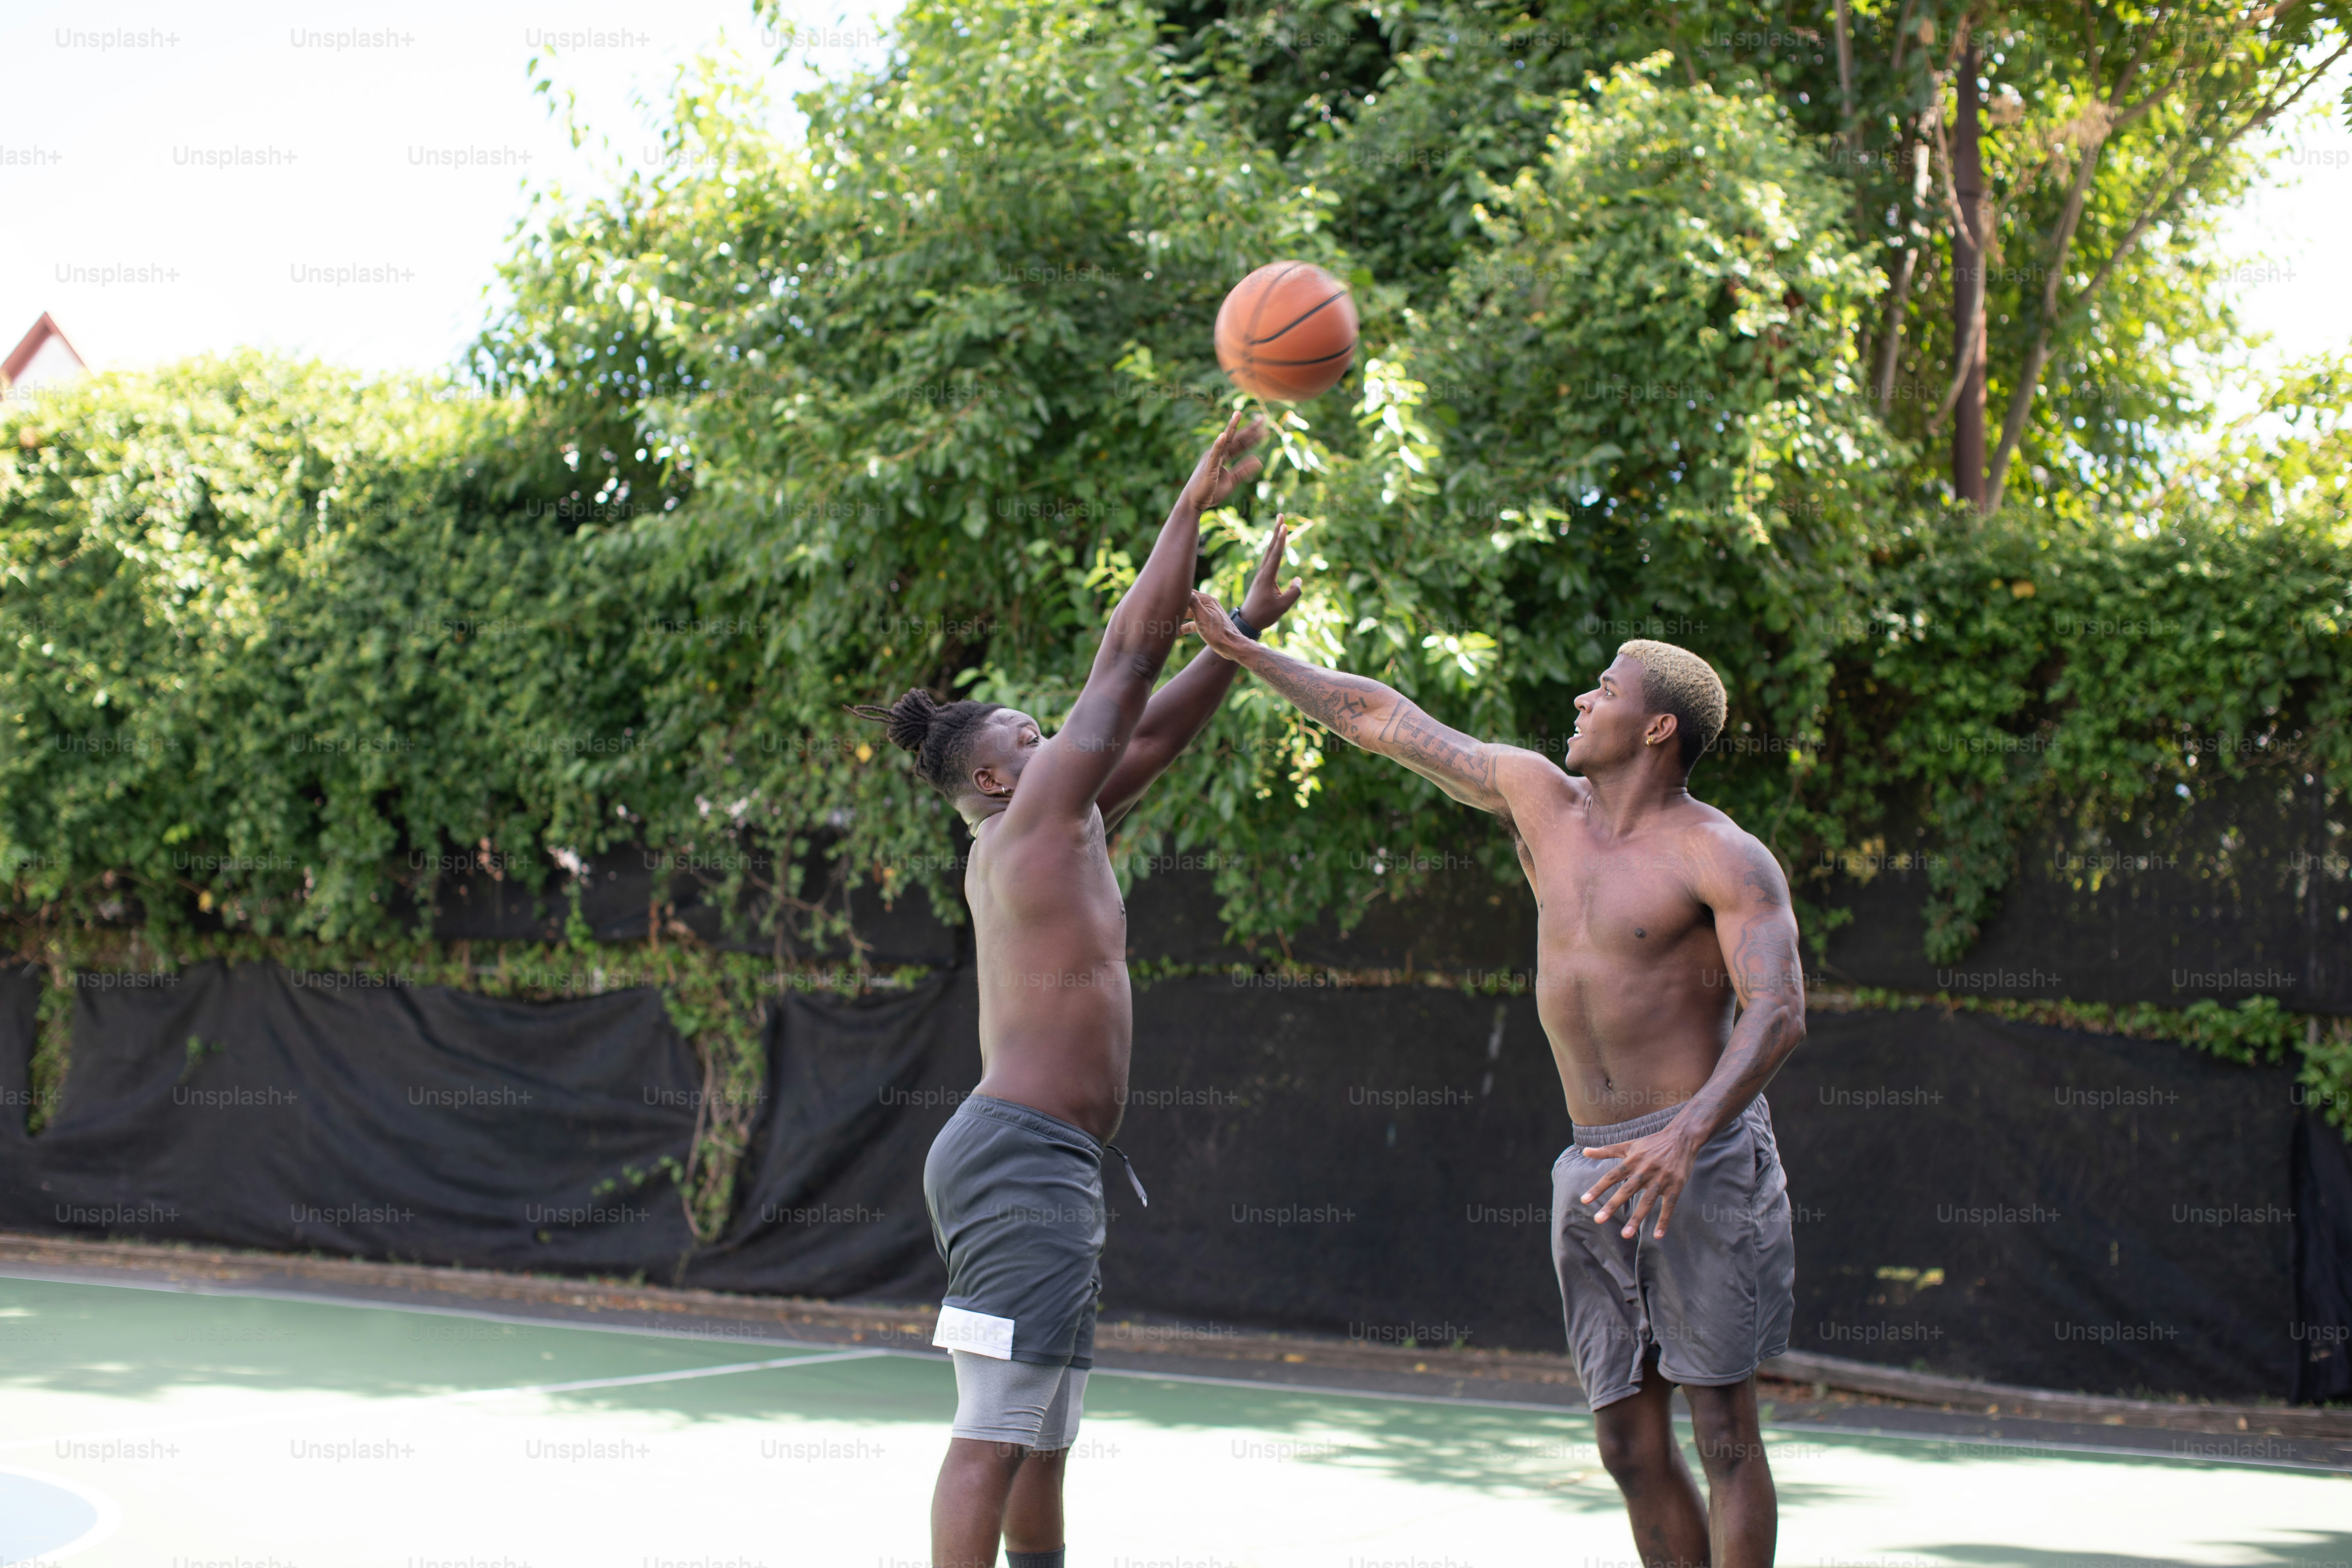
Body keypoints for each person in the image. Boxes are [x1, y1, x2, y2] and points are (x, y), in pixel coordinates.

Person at [1187, 574, 1805, 1568]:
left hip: (1703, 1159)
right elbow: (1382, 717)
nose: (1582, 700)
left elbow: (1779, 1010)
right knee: (1624, 1441)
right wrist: (1248, 652)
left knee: (1724, 1430)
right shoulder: (1536, 797)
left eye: (1606, 689)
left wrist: (1686, 1137)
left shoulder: (1724, 855)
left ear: (1656, 730)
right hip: (1593, 1166)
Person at [853, 415, 1303, 1568]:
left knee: (1045, 1432)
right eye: (1028, 731)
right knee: (995, 1432)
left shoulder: (1064, 820)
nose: (1052, 732)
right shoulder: (1030, 820)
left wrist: (1241, 635)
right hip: (1017, 1156)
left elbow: (1151, 731)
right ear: (997, 776)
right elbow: (1123, 667)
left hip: (1043, 1159)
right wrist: (1190, 509)